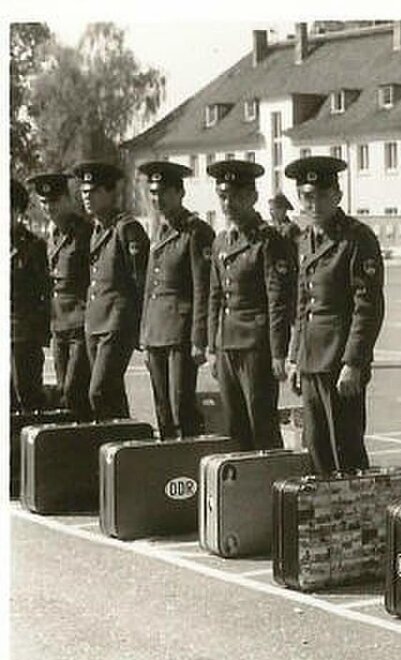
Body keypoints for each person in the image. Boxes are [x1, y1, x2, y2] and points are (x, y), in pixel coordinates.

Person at [284, 156, 385, 475]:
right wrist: (294, 357)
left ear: (337, 196)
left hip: (340, 363)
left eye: (321, 196)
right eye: (306, 197)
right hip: (312, 360)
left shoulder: (357, 239)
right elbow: (302, 306)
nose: (313, 204)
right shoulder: (303, 241)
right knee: (317, 447)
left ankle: (357, 521)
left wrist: (354, 362)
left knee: (347, 449)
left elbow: (367, 307)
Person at [205, 159, 293, 450]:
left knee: (262, 423)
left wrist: (278, 352)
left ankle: (270, 484)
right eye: (223, 196)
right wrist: (212, 348)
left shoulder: (268, 241)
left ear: (252, 198)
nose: (228, 203)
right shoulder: (220, 242)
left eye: (235, 196)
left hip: (256, 346)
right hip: (227, 344)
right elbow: (215, 297)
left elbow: (277, 301)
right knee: (234, 426)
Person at [136, 160, 214, 439]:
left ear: (180, 194)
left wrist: (199, 338)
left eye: (164, 193)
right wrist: (144, 334)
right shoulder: (159, 231)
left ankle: (188, 460)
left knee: (181, 403)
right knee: (162, 408)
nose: (157, 199)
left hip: (180, 332)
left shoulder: (196, 232)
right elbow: (149, 288)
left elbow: (202, 288)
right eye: (153, 193)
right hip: (156, 331)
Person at [72, 160, 149, 420]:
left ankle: (118, 446)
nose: (86, 198)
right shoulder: (96, 230)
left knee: (100, 391)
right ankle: (119, 451)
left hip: (117, 322)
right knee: (111, 393)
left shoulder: (126, 228)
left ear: (109, 193)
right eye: (84, 192)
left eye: (92, 192)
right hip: (95, 323)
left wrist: (140, 326)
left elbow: (140, 281)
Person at [30, 172, 93, 417]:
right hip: (58, 325)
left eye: (54, 201)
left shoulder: (85, 232)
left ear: (67, 199)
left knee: (75, 389)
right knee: (63, 391)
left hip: (79, 322)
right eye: (44, 202)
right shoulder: (51, 235)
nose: (49, 207)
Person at [10, 179, 51, 412]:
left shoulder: (34, 247)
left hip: (23, 337)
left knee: (25, 393)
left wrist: (38, 333)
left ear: (17, 211)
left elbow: (44, 293)